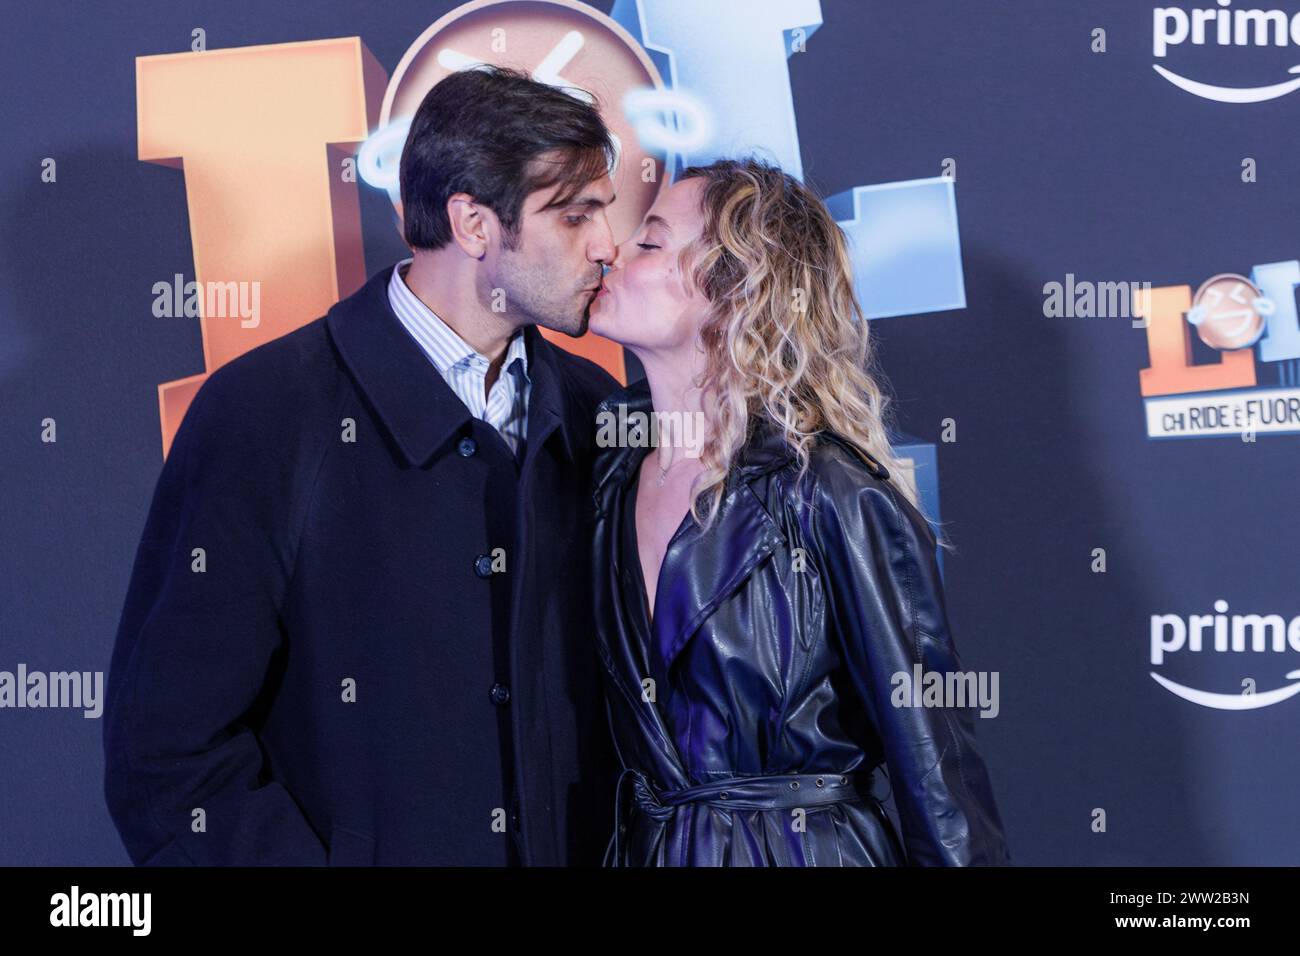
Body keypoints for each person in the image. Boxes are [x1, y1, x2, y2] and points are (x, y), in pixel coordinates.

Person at [103, 65, 623, 866]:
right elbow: (168, 754)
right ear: (474, 224)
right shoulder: (267, 413)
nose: (607, 245)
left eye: (606, 213)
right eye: (575, 214)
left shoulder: (599, 411)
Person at [586, 157, 1012, 866]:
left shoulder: (835, 493)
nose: (611, 250)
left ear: (733, 290)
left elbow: (936, 773)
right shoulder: (604, 477)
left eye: (650, 242)